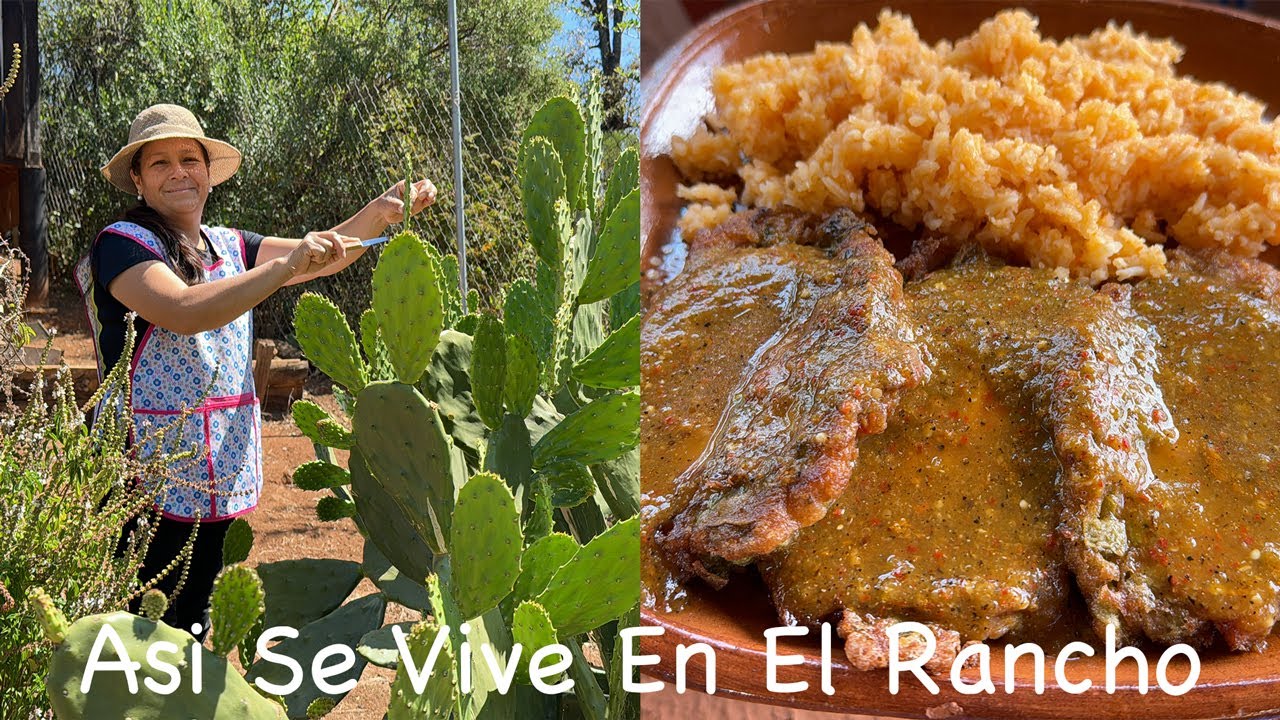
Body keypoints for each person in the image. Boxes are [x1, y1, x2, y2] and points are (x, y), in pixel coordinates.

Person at [74, 103, 437, 638]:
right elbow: (184, 309)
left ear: (208, 173)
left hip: (215, 458)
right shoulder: (122, 244)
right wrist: (281, 267)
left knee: (195, 614)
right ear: (137, 179)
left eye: (189, 159)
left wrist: (379, 213)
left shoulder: (227, 244)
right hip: (143, 465)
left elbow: (322, 255)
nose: (179, 172)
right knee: (144, 624)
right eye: (159, 163)